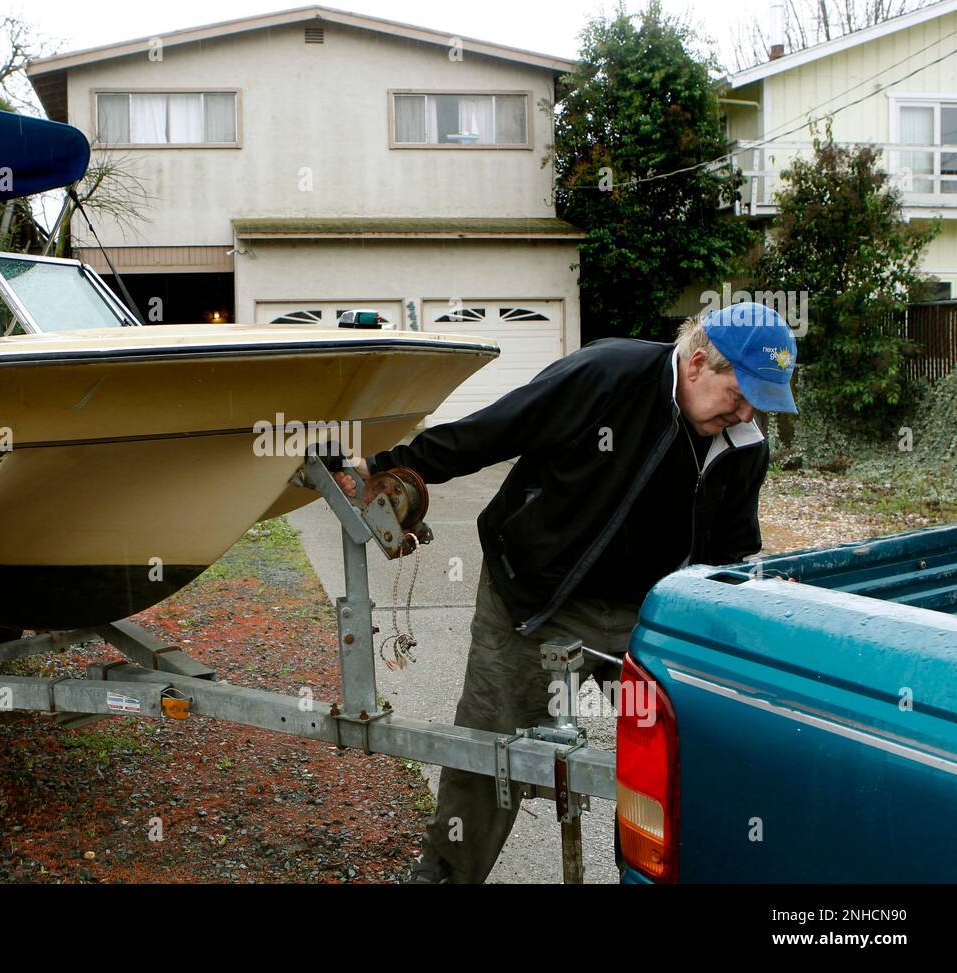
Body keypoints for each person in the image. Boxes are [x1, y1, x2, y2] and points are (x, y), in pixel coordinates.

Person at [334, 302, 800, 884]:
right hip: (537, 598)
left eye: (760, 400)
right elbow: (496, 429)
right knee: (490, 751)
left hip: (648, 618)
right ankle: (445, 878)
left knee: (671, 758)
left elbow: (729, 550)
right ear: (699, 363)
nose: (746, 411)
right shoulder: (609, 374)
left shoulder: (744, 445)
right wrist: (387, 469)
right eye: (739, 393)